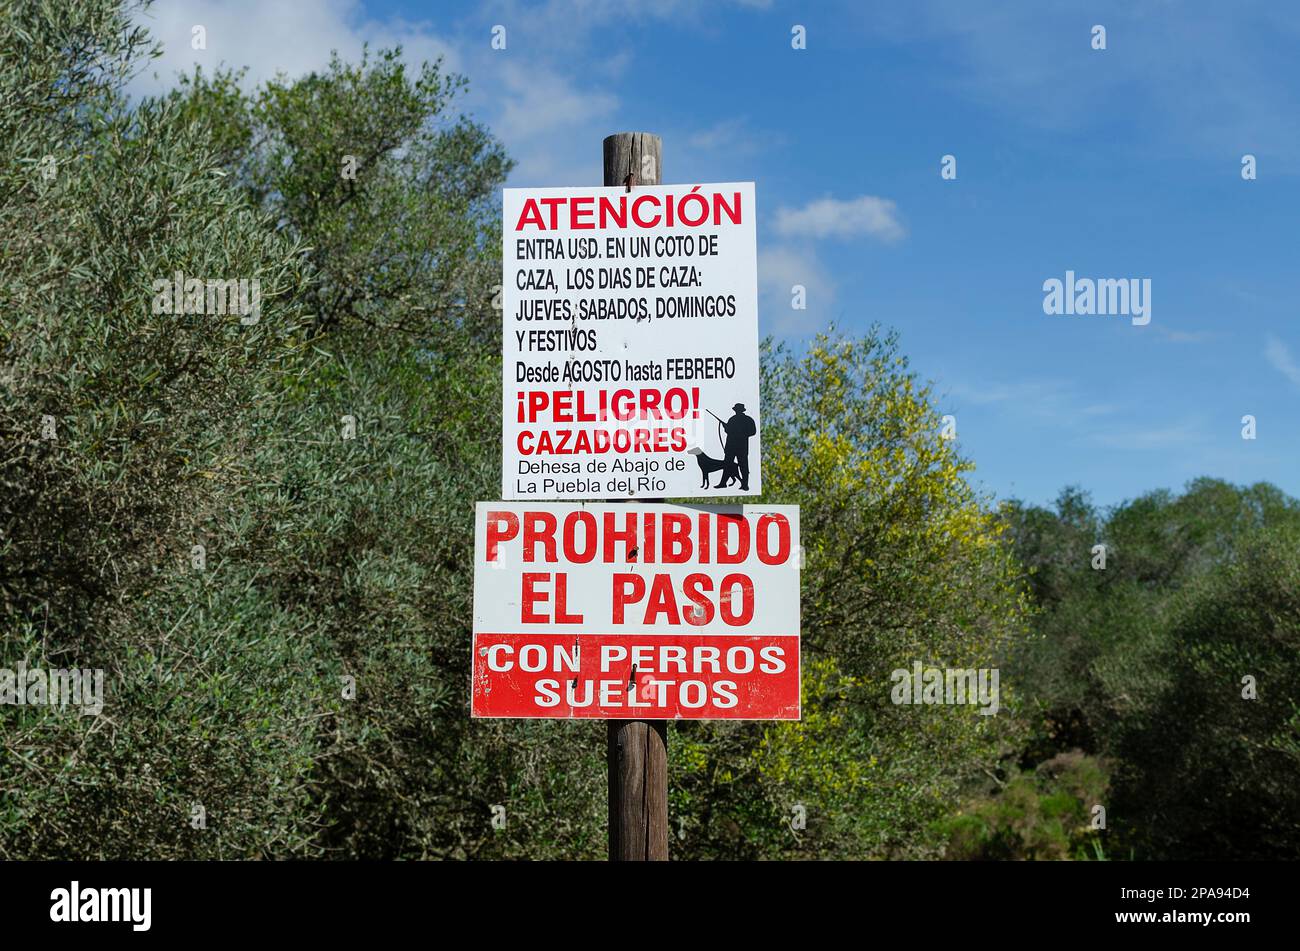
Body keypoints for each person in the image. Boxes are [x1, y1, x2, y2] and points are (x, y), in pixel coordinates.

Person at [721, 403, 756, 491]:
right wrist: (726, 427)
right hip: (731, 446)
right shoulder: (732, 419)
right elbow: (729, 431)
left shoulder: (748, 420)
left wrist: (740, 433)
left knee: (743, 466)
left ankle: (745, 485)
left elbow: (753, 431)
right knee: (727, 464)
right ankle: (723, 483)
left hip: (741, 446)